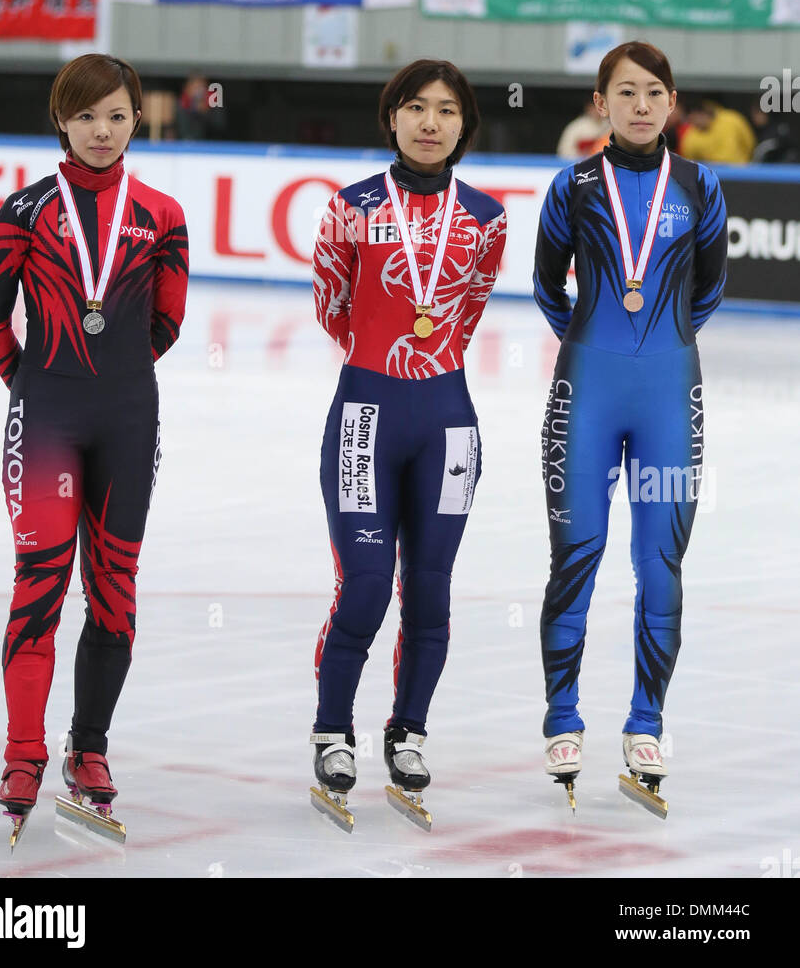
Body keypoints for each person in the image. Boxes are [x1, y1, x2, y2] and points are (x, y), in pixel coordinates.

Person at [0, 54, 189, 840]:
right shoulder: (24, 209)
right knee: (39, 581)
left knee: (115, 589)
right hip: (47, 420)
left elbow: (165, 323)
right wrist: (35, 389)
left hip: (129, 417)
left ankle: (88, 749)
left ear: (138, 119)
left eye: (118, 116)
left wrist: (114, 380)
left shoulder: (162, 214)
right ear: (61, 119)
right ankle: (23, 749)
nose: (103, 131)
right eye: (87, 116)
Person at [309, 59, 507, 825]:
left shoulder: (486, 215)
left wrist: (424, 357)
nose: (431, 122)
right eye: (416, 108)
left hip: (449, 422)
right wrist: (385, 358)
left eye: (448, 110)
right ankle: (333, 730)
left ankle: (408, 730)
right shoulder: (351, 207)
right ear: (392, 117)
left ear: (465, 124)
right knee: (362, 585)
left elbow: (471, 307)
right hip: (366, 411)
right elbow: (332, 305)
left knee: (429, 589)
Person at [533, 41, 727, 807]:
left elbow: (709, 288)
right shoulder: (572, 184)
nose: (641, 105)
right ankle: (563, 715)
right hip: (586, 389)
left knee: (660, 564)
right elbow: (548, 284)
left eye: (654, 92)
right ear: (601, 102)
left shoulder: (700, 185)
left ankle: (647, 720)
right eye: (626, 93)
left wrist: (665, 339)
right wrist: (590, 337)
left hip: (669, 396)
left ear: (671, 103)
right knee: (576, 555)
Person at [679, 99, 756, 164]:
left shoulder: (732, 118)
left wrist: (745, 161)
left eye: (696, 116)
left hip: (739, 171)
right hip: (714, 174)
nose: (695, 121)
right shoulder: (692, 134)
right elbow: (689, 158)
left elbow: (749, 142)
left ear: (704, 113)